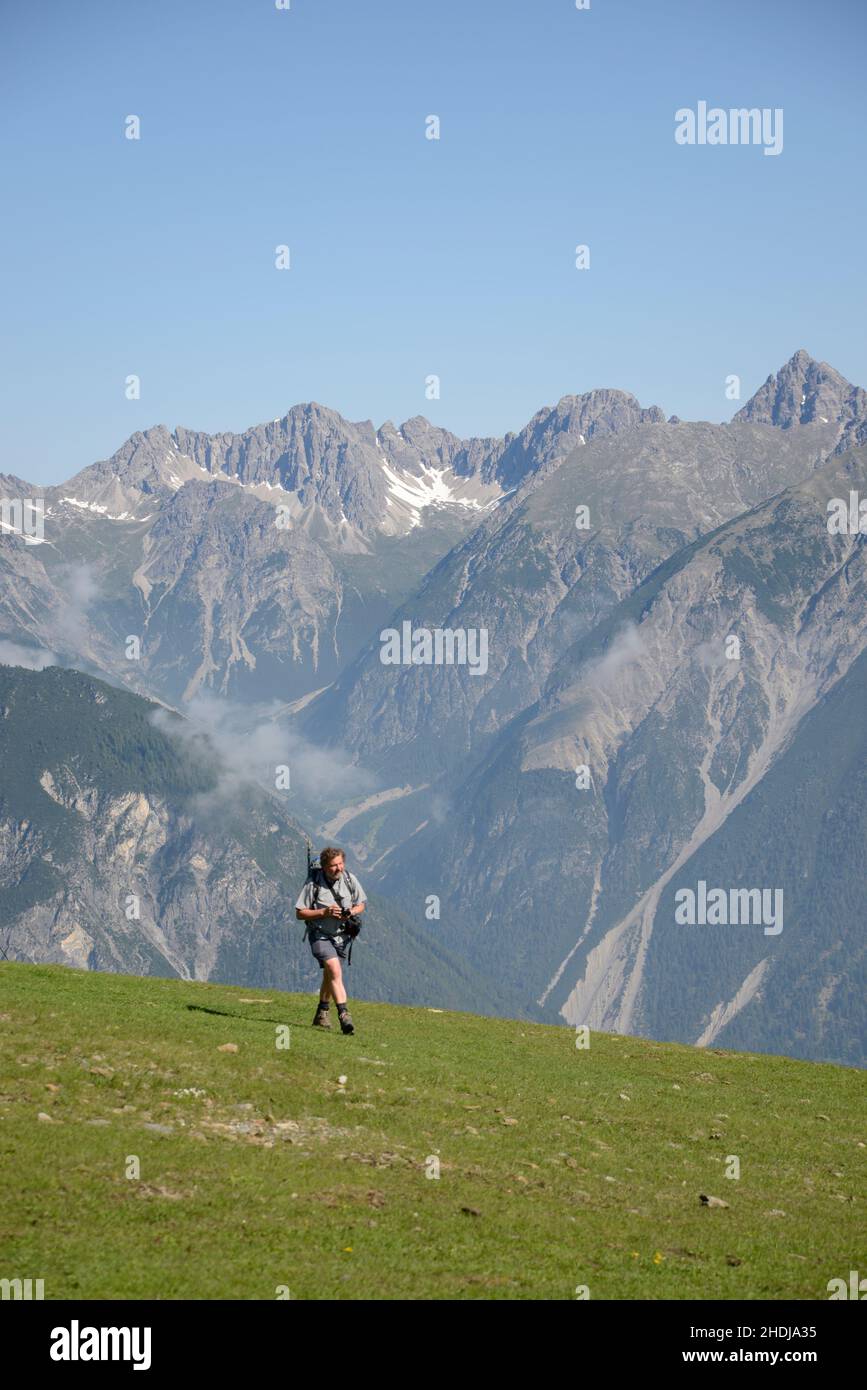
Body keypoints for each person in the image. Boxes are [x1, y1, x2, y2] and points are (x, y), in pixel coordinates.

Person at [295, 846, 366, 1035]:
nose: (339, 868)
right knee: (334, 970)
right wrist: (323, 912)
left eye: (341, 863)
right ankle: (344, 1016)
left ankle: (322, 1012)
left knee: (330, 975)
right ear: (325, 867)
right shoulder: (313, 884)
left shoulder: (350, 880)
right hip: (319, 935)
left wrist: (351, 911)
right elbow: (300, 913)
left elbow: (361, 905)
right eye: (334, 865)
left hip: (342, 937)